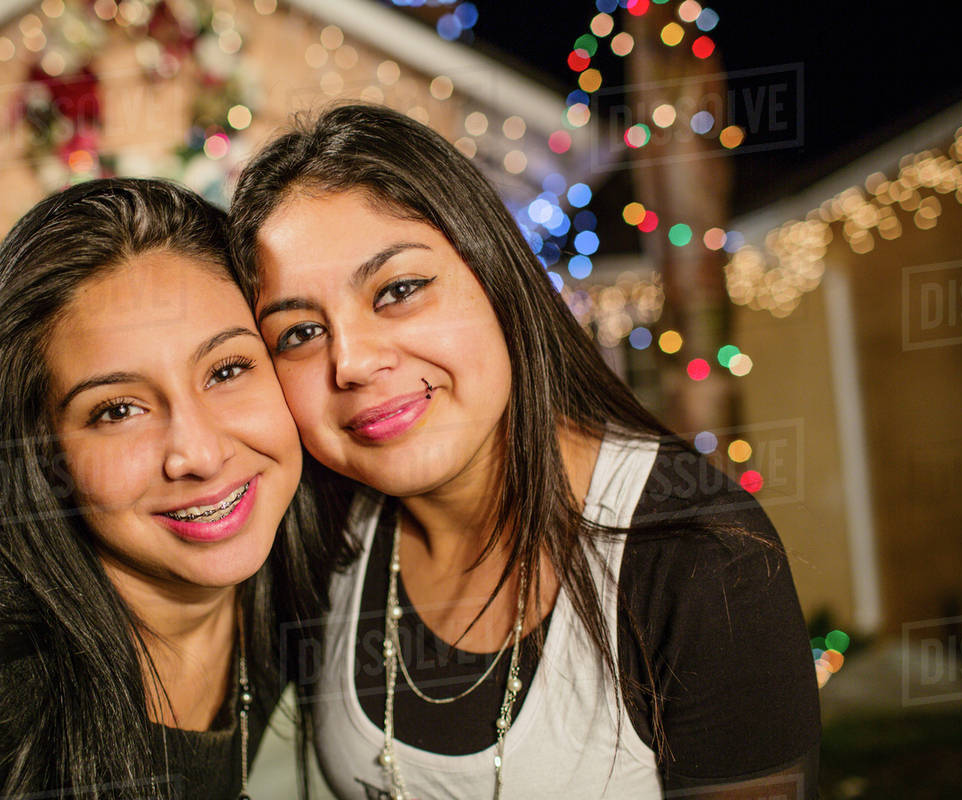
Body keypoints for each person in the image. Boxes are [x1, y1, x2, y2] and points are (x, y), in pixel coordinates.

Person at [228, 104, 821, 799]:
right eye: (299, 332)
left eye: (397, 290)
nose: (352, 362)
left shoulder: (699, 556)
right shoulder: (319, 538)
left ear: (497, 276)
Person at [0, 178, 341, 799]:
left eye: (227, 370)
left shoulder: (317, 571)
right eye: (118, 410)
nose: (200, 455)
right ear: (43, 455)